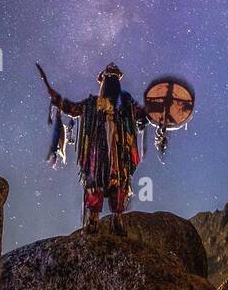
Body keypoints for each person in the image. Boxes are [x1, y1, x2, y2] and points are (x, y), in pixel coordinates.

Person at [36, 62, 147, 233]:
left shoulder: (126, 104)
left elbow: (143, 115)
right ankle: (93, 220)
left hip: (120, 152)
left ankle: (118, 219)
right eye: (108, 78)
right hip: (97, 153)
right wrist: (57, 99)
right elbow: (72, 109)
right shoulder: (91, 104)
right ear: (102, 81)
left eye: (114, 78)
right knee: (95, 182)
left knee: (120, 183)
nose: (111, 80)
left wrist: (158, 111)